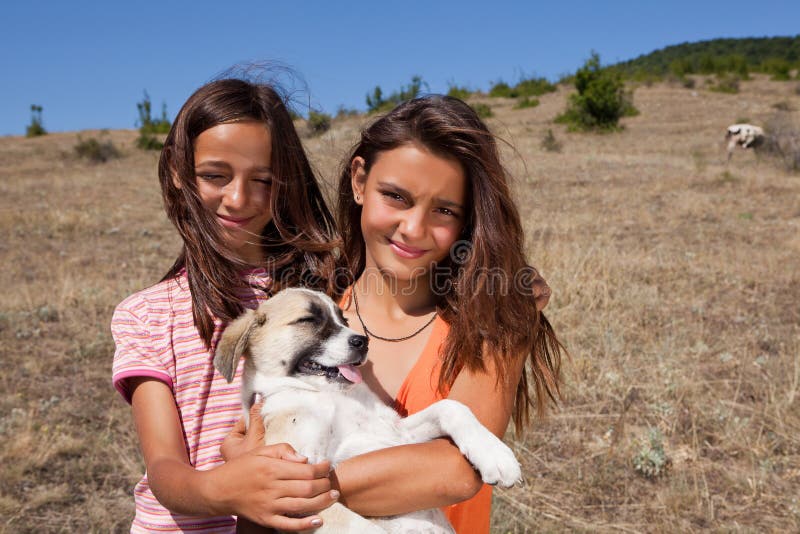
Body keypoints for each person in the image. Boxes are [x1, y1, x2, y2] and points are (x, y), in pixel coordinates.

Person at [227, 94, 562, 533]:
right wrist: (247, 478)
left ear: (467, 221)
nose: (414, 229)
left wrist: (288, 486)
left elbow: (453, 473)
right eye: (396, 196)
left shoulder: (492, 321)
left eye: (444, 210)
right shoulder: (313, 311)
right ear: (359, 181)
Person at [110, 78, 343, 533]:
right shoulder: (146, 314)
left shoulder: (329, 292)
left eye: (263, 180)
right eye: (216, 175)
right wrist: (228, 489)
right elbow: (163, 466)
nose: (238, 198)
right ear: (179, 173)